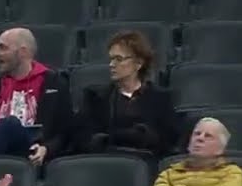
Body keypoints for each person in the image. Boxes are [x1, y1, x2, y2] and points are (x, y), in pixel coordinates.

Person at [0, 27, 72, 166]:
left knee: (10, 124)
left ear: (23, 52)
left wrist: (46, 149)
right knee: (7, 127)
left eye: (2, 48)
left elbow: (66, 133)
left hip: (31, 154)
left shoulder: (54, 84)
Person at [74, 30, 178, 158]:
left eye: (119, 59)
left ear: (138, 63)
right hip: (105, 162)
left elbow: (168, 142)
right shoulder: (94, 97)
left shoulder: (162, 99)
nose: (112, 65)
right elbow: (84, 140)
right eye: (111, 59)